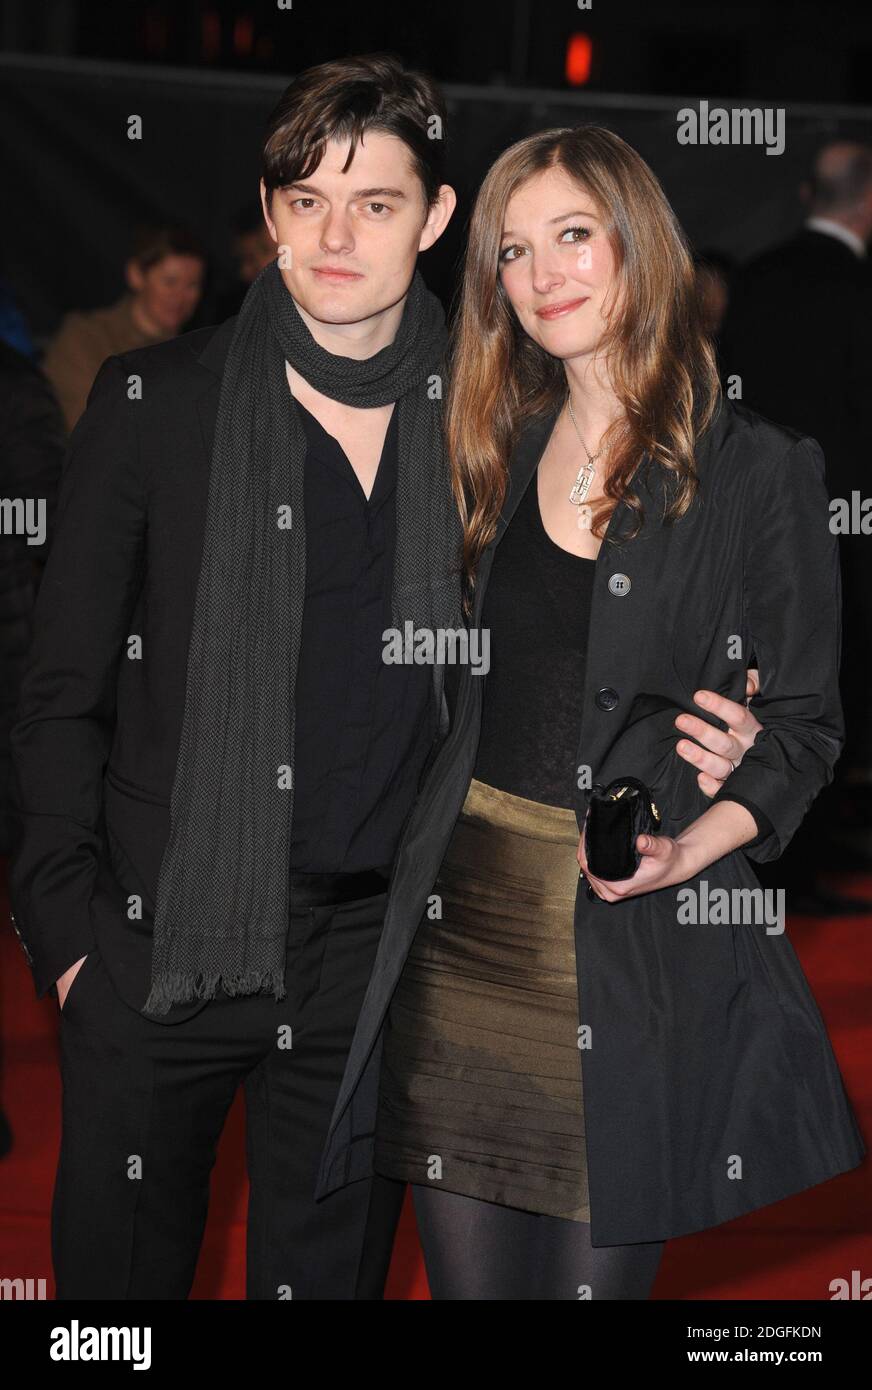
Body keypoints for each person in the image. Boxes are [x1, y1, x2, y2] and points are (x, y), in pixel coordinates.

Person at [368, 125, 866, 1299]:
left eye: (572, 236)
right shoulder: (480, 445)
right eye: (512, 251)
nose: (542, 276)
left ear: (636, 245)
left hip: (629, 940)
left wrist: (699, 833)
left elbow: (803, 727)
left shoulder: (755, 472)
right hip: (464, 930)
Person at [7, 53, 460, 1300]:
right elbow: (61, 686)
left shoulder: (483, 419)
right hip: (162, 945)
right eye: (303, 198)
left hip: (371, 959)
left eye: (373, 202)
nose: (333, 233)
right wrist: (68, 935)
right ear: (266, 215)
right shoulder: (157, 401)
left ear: (434, 217)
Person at [719, 143, 872, 895]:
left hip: (746, 513)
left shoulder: (758, 275)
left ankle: (784, 850)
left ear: (808, 191)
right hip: (843, 523)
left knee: (762, 679)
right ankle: (810, 849)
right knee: (821, 685)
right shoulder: (858, 286)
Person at [41, 224, 207, 433]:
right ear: (136, 275)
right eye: (170, 282)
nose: (181, 297)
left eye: (193, 285)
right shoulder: (85, 338)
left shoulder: (199, 351)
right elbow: (89, 431)